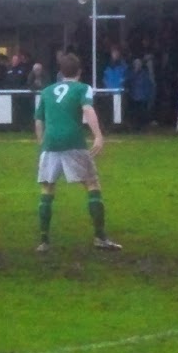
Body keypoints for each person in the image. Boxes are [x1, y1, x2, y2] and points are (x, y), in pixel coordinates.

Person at [35, 53, 121, 252]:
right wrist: (98, 135)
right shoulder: (83, 88)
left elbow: (38, 120)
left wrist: (42, 143)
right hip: (73, 140)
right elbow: (88, 110)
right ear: (80, 72)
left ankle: (44, 241)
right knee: (92, 184)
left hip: (50, 143)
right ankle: (100, 237)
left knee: (47, 189)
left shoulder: (47, 91)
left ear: (60, 72)